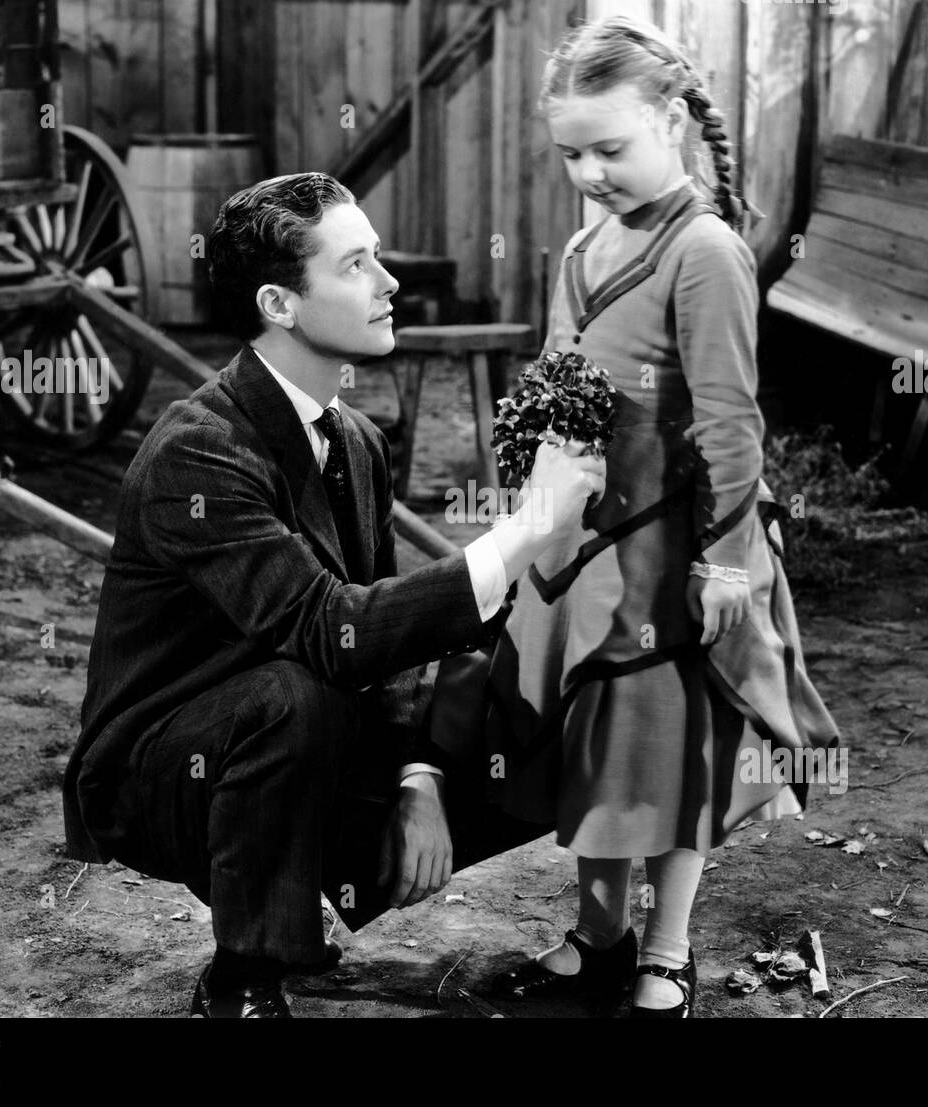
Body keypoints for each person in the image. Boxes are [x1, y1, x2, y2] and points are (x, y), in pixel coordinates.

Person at [61, 172, 605, 1018]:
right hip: (165, 768)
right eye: (356, 266)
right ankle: (243, 977)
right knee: (296, 695)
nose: (388, 284)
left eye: (378, 257)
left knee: (531, 690)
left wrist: (420, 780)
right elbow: (331, 630)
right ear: (280, 303)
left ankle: (604, 947)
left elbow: (388, 641)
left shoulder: (352, 438)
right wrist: (525, 528)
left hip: (301, 741)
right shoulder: (198, 454)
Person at [478, 17, 841, 1017]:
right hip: (587, 547)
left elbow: (729, 420)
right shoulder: (583, 249)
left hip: (676, 548)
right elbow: (561, 390)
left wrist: (726, 560)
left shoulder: (706, 252)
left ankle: (666, 952)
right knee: (592, 742)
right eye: (570, 154)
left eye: (611, 148)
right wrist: (532, 518)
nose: (590, 171)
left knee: (668, 746)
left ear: (671, 121)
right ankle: (598, 936)